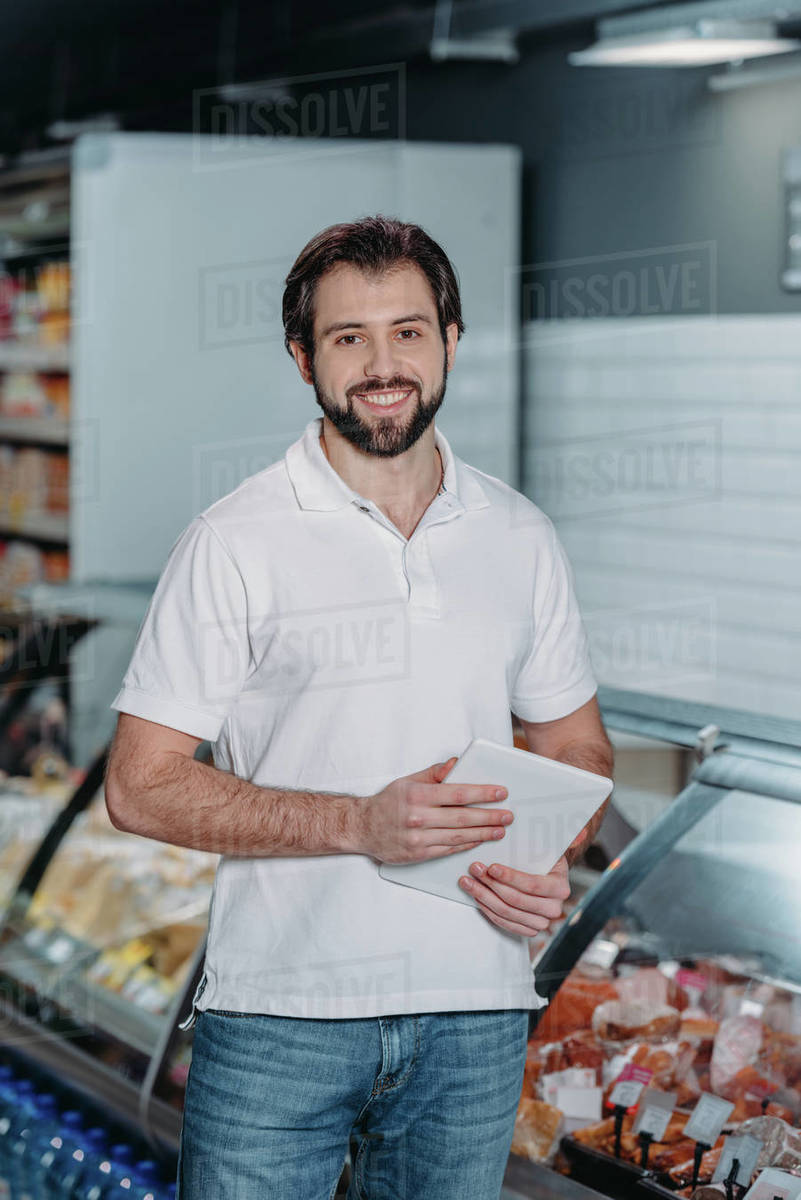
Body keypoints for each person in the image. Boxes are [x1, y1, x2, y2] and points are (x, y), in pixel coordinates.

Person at [105, 214, 614, 1200]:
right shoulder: (235, 539)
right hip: (280, 1018)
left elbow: (580, 747)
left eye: (409, 332)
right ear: (303, 358)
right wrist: (359, 822)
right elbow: (139, 786)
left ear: (451, 340)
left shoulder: (520, 534)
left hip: (476, 1015)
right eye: (350, 339)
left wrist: (554, 849)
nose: (385, 366)